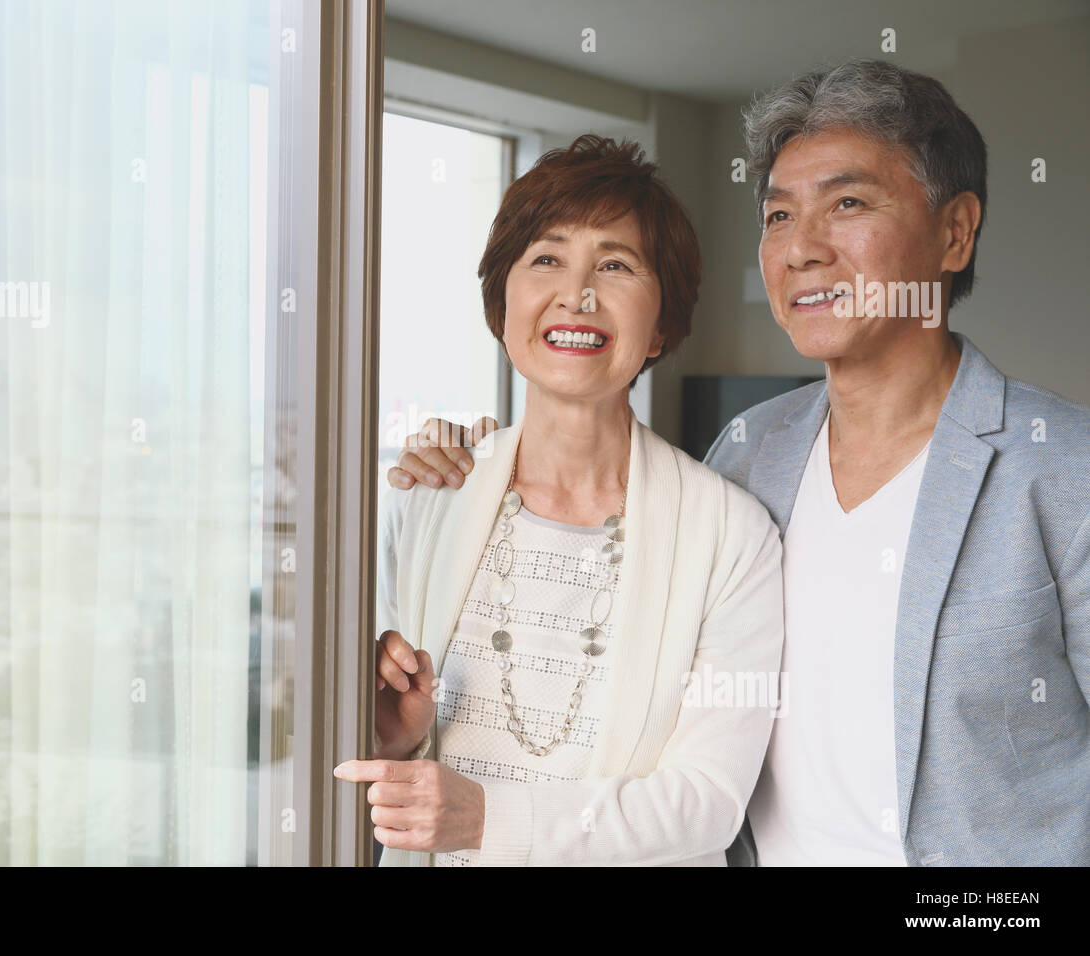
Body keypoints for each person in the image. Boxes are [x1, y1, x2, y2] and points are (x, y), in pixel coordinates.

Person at [389, 60, 1090, 866]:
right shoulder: (751, 453)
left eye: (848, 203)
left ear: (955, 231)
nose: (803, 249)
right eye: (779, 215)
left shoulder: (1062, 472)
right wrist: (465, 458)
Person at [333, 134, 785, 866]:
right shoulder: (430, 498)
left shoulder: (731, 536)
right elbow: (378, 753)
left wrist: (488, 820)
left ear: (663, 322)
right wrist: (389, 736)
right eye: (546, 258)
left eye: (615, 264)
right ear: (502, 299)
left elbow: (708, 803)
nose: (577, 293)